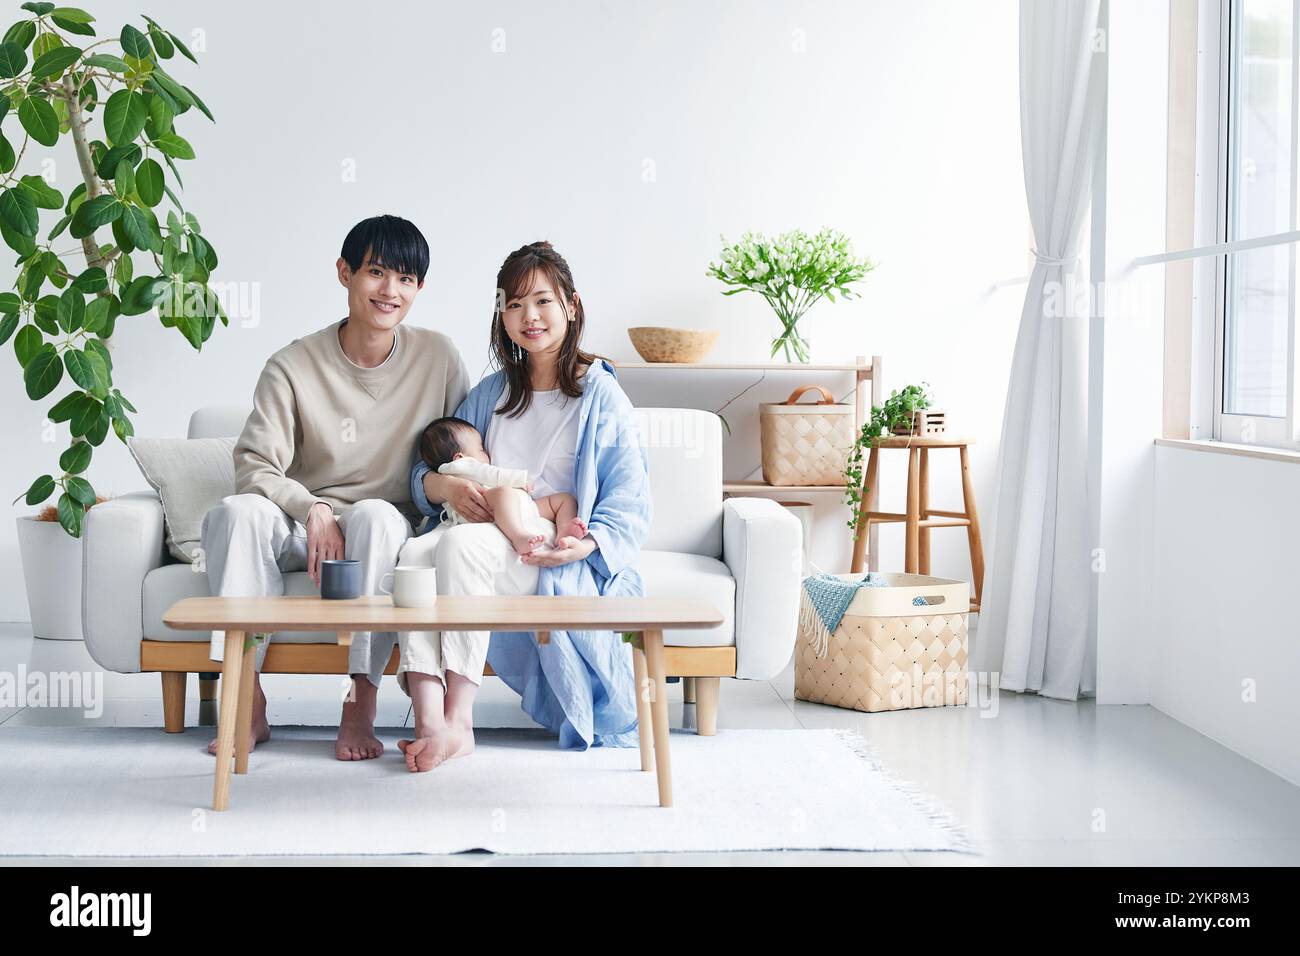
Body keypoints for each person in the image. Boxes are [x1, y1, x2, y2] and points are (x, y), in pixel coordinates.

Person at [198, 214, 469, 761]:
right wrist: (313, 506)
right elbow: (254, 466)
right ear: (344, 273)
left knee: (371, 515)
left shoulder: (439, 358)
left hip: (382, 526)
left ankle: (359, 706)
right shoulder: (292, 365)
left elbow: (462, 450)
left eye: (406, 279)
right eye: (375, 272)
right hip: (304, 523)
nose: (390, 290)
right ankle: (247, 703)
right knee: (235, 512)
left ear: (419, 288)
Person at [394, 240, 652, 772]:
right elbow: (428, 468)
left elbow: (628, 499)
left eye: (541, 302)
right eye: (513, 305)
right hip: (487, 542)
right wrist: (445, 489)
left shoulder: (600, 397)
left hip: (545, 552)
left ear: (571, 305)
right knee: (415, 560)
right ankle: (428, 720)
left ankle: (460, 721)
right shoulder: (492, 394)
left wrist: (583, 543)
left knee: (461, 547)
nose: (528, 317)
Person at [418, 415, 588, 555]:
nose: (487, 453)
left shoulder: (454, 467)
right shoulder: (459, 467)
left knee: (564, 499)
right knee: (503, 493)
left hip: (516, 508)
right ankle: (518, 536)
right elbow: (491, 474)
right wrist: (520, 478)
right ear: (459, 457)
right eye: (481, 450)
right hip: (490, 510)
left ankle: (564, 533)